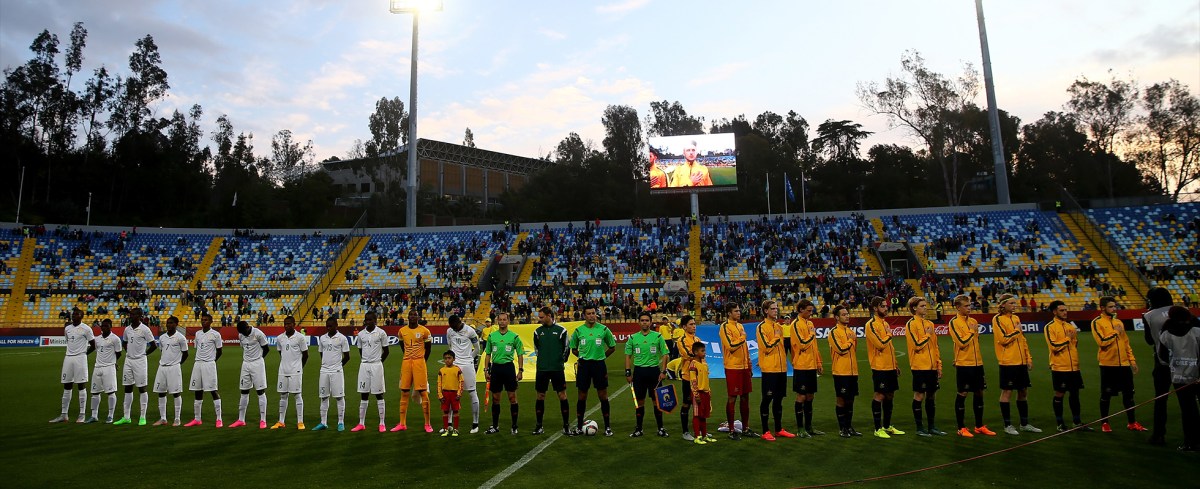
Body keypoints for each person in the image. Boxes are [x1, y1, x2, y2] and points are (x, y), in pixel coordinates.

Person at [1091, 296, 1146, 433]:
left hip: (1124, 365)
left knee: (1129, 395)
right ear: (1102, 308)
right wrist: (1115, 332)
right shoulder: (1096, 322)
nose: (1114, 309)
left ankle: (1132, 422)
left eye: (1114, 306)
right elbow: (1102, 342)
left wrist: (1132, 361)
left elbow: (1126, 343)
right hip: (1108, 365)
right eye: (1110, 307)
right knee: (1106, 395)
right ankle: (1105, 423)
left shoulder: (1119, 322)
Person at [993, 294, 1041, 435]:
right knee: (1007, 392)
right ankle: (1007, 425)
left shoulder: (1016, 318)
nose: (1015, 305)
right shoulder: (997, 319)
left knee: (1023, 391)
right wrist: (1016, 331)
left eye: (1015, 303)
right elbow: (1003, 339)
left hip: (1020, 362)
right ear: (1003, 305)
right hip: (1008, 362)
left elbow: (1022, 340)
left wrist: (1028, 358)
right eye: (1012, 303)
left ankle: (1024, 423)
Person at [949, 295, 995, 437]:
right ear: (958, 307)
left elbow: (977, 341)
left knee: (979, 392)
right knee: (963, 393)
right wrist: (971, 331)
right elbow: (962, 342)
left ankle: (979, 426)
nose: (969, 308)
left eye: (970, 305)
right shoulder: (954, 322)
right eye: (966, 306)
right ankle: (961, 428)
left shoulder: (973, 321)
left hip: (977, 363)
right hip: (964, 364)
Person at [570, 305, 617, 436]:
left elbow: (612, 347)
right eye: (589, 313)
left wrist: (601, 357)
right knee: (582, 396)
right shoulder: (578, 331)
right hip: (584, 366)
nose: (592, 316)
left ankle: (607, 427)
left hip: (599, 365)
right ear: (584, 315)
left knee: (603, 395)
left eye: (593, 313)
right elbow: (573, 348)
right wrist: (583, 357)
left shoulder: (604, 329)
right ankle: (579, 427)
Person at [1045, 300, 1091, 432]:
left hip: (1074, 367)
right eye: (1061, 310)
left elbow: (1075, 346)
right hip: (1060, 367)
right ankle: (1060, 423)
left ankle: (1077, 422)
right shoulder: (1050, 327)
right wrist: (1067, 339)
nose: (1065, 312)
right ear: (1054, 312)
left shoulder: (1070, 327)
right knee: (1060, 394)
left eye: (1065, 310)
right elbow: (1054, 347)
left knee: (1075, 394)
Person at [1157, 306, 1200, 451]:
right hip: (1197, 375)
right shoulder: (1196, 329)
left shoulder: (1166, 333)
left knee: (1188, 411)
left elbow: (1162, 356)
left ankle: (1191, 442)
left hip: (1179, 377)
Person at [905, 297, 946, 436]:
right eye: (922, 305)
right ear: (914, 308)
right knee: (919, 396)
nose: (925, 308)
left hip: (932, 367)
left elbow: (936, 347)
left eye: (925, 305)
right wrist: (927, 335)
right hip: (919, 366)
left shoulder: (929, 324)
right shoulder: (911, 324)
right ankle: (919, 428)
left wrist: (938, 365)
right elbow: (916, 345)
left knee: (932, 396)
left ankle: (932, 426)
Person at [625, 312, 670, 438]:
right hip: (639, 372)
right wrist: (628, 372)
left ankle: (660, 428)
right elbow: (628, 356)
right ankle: (639, 429)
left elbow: (665, 354)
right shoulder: (633, 338)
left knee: (657, 401)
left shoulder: (658, 336)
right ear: (639, 322)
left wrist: (663, 371)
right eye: (642, 320)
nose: (644, 322)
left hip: (654, 372)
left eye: (647, 320)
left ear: (650, 322)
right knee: (639, 402)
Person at [866, 297, 905, 438]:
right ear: (875, 308)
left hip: (890, 366)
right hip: (879, 366)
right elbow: (880, 344)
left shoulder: (884, 323)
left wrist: (895, 364)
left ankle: (887, 426)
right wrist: (889, 333)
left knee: (890, 394)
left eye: (886, 306)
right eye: (882, 306)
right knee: (880, 394)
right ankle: (878, 428)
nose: (886, 308)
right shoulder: (871, 325)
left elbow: (890, 347)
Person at [1143, 287, 1176, 445]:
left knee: (1161, 400)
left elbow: (1149, 340)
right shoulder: (1181, 310)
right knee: (1189, 401)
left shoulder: (1149, 315)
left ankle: (1158, 435)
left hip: (1162, 362)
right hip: (1187, 361)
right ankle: (1194, 438)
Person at [50, 309, 95, 424]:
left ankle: (82, 414)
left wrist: (84, 354)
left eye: (76, 314)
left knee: (81, 385)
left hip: (80, 358)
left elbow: (93, 345)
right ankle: (64, 415)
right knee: (67, 385)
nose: (74, 316)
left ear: (82, 316)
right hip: (68, 358)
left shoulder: (86, 329)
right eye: (73, 314)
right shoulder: (67, 328)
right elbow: (68, 341)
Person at [720, 303, 758, 439]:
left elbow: (745, 348)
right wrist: (743, 337)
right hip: (732, 367)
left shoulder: (740, 326)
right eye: (736, 311)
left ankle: (746, 428)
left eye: (739, 310)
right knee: (732, 397)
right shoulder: (724, 327)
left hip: (744, 367)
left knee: (745, 396)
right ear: (729, 313)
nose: (739, 313)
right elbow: (730, 346)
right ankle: (731, 430)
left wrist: (749, 364)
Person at [531, 307, 571, 435]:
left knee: (562, 395)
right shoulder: (537, 332)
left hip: (557, 369)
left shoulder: (561, 331)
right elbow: (537, 349)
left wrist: (559, 361)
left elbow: (566, 348)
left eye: (542, 317)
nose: (540, 319)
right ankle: (539, 425)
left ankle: (566, 425)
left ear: (549, 316)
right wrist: (543, 360)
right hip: (542, 369)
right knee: (540, 396)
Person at [756, 300, 792, 441]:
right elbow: (766, 347)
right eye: (772, 309)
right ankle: (765, 431)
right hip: (769, 369)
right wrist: (777, 336)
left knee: (779, 399)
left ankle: (778, 429)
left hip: (781, 368)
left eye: (776, 308)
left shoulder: (778, 326)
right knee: (767, 399)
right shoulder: (762, 327)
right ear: (766, 311)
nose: (775, 311)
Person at [114, 308, 157, 426]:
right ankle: (126, 417)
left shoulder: (145, 329)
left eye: (133, 314)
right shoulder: (127, 329)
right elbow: (124, 342)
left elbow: (153, 345)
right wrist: (128, 351)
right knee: (127, 388)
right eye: (130, 314)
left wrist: (144, 354)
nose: (130, 316)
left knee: (142, 388)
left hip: (140, 361)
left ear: (139, 316)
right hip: (128, 361)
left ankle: (142, 417)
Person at [789, 299, 825, 437]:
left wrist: (819, 363)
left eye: (811, 311)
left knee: (810, 396)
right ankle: (800, 429)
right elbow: (803, 344)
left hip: (811, 365)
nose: (811, 313)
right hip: (801, 365)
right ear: (800, 310)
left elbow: (814, 346)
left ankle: (809, 427)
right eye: (808, 311)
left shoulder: (810, 323)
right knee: (801, 396)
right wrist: (811, 334)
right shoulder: (796, 324)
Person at [393, 310, 432, 433]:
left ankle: (427, 424)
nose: (413, 316)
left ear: (418, 317)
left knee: (423, 392)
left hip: (419, 362)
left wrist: (422, 362)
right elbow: (402, 346)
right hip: (406, 362)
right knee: (404, 392)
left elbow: (428, 349)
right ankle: (402, 423)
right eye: (411, 315)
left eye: (415, 315)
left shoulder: (425, 331)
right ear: (408, 317)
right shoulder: (402, 331)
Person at [485, 312, 523, 434]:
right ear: (497, 321)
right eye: (500, 319)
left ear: (508, 321)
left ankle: (514, 426)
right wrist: (486, 370)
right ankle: (495, 426)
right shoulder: (492, 336)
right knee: (495, 398)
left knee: (512, 397)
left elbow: (520, 354)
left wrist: (520, 370)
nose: (502, 321)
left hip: (508, 369)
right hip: (496, 369)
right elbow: (488, 354)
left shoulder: (514, 337)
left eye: (504, 319)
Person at [351, 312, 390, 432]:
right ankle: (361, 423)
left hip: (376, 365)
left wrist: (378, 362)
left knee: (379, 394)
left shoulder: (381, 333)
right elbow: (360, 350)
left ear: (375, 320)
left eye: (369, 320)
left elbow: (386, 351)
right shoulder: (361, 334)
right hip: (364, 366)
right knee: (363, 393)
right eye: (366, 320)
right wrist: (366, 361)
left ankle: (382, 423)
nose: (367, 322)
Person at [829, 305, 862, 437]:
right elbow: (841, 349)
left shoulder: (851, 332)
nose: (847, 316)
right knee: (841, 399)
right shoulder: (834, 332)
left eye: (847, 314)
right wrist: (849, 341)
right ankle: (842, 428)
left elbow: (854, 350)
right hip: (841, 371)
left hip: (853, 371)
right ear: (837, 317)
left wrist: (850, 340)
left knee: (851, 400)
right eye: (843, 314)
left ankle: (849, 427)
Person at [184, 313, 223, 427]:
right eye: (202, 320)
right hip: (197, 364)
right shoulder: (198, 334)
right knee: (197, 391)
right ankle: (197, 419)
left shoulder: (216, 335)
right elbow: (197, 348)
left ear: (211, 321)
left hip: (209, 364)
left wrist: (212, 361)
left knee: (213, 391)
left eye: (206, 320)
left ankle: (219, 419)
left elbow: (219, 351)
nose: (203, 321)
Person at [445, 314, 482, 433]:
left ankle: (475, 423)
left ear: (459, 322)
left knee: (472, 392)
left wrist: (469, 359)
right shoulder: (449, 331)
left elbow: (477, 349)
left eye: (454, 326)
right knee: (450, 393)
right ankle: (449, 424)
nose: (453, 329)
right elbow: (450, 346)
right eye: (451, 327)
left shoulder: (470, 331)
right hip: (454, 365)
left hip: (467, 365)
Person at [230, 320, 270, 429]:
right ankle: (241, 419)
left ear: (248, 327)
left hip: (257, 364)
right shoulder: (241, 335)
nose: (243, 334)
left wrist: (259, 359)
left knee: (260, 391)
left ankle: (263, 420)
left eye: (244, 332)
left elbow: (266, 349)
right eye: (241, 333)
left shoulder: (258, 334)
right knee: (244, 391)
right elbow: (244, 348)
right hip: (245, 364)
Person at [314, 317, 350, 431]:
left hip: (336, 371)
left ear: (336, 326)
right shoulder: (322, 338)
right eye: (327, 326)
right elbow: (321, 353)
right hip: (324, 370)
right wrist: (326, 365)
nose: (328, 328)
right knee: (323, 397)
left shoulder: (342, 338)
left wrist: (338, 366)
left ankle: (341, 422)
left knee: (339, 397)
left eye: (331, 326)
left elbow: (347, 357)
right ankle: (323, 422)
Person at [272, 316, 309, 430]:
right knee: (283, 395)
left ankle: (300, 422)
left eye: (289, 324)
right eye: (285, 324)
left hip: (295, 371)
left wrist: (299, 367)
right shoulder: (280, 338)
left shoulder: (300, 338)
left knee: (297, 395)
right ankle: (281, 421)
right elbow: (281, 353)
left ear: (294, 324)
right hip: (283, 371)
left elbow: (306, 355)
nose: (286, 326)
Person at [152, 316, 189, 426]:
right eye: (168, 323)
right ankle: (163, 418)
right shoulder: (162, 337)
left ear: (176, 324)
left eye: (171, 323)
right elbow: (162, 351)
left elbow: (186, 354)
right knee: (161, 392)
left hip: (174, 368)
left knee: (176, 393)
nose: (168, 325)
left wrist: (178, 364)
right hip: (162, 367)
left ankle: (177, 418)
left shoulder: (181, 338)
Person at [86, 318, 122, 424]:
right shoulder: (97, 339)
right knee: (95, 393)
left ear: (111, 327)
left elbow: (118, 353)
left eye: (106, 326)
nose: (104, 327)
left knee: (111, 392)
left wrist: (113, 362)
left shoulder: (115, 339)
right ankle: (94, 416)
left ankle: (110, 415)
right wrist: (84, 354)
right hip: (97, 367)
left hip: (109, 368)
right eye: (102, 326)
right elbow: (92, 348)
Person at [675, 315, 701, 441]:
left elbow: (702, 357)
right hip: (687, 376)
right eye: (691, 324)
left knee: (700, 403)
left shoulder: (697, 339)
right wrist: (698, 355)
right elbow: (688, 354)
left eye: (694, 324)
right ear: (684, 327)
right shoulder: (681, 340)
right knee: (687, 403)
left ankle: (700, 430)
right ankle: (685, 431)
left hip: (699, 376)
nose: (694, 326)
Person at [688, 342, 716, 445]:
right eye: (702, 351)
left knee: (704, 415)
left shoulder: (704, 363)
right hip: (698, 393)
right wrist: (696, 394)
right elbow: (693, 380)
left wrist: (708, 390)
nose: (704, 353)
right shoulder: (693, 364)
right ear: (695, 352)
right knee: (697, 415)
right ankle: (697, 436)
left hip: (705, 392)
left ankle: (704, 435)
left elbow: (706, 378)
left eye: (704, 350)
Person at [437, 351, 465, 437]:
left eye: (449, 358)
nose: (447, 360)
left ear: (454, 359)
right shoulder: (441, 370)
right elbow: (439, 383)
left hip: (454, 394)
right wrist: (440, 395)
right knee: (445, 412)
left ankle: (455, 429)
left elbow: (461, 381)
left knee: (456, 411)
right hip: (445, 394)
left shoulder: (457, 369)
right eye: (445, 358)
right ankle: (446, 429)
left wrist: (459, 393)